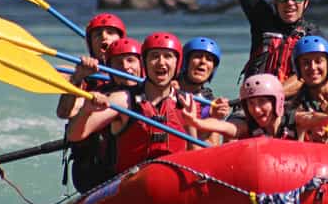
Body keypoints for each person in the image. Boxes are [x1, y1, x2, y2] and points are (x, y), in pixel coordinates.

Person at [67, 32, 213, 174]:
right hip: (131, 182)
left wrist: (197, 123)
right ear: (144, 63)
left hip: (174, 180)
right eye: (154, 56)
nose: (161, 62)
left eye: (168, 56)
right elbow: (74, 136)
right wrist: (86, 111)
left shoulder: (187, 103)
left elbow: (198, 160)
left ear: (177, 64)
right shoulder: (123, 100)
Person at [65, 37, 143, 193]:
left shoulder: (159, 93)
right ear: (110, 68)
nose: (125, 67)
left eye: (130, 60)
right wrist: (77, 79)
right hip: (104, 175)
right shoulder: (102, 96)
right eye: (118, 63)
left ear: (142, 65)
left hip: (147, 172)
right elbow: (66, 112)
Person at [181, 73, 328, 142]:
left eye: (262, 102)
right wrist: (196, 122)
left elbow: (314, 118)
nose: (256, 110)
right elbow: (224, 126)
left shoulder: (294, 119)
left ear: (277, 101)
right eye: (251, 103)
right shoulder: (248, 125)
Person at [56, 13, 127, 119]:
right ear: (91, 45)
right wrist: (77, 78)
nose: (104, 36)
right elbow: (64, 113)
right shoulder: (84, 75)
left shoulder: (135, 69)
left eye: (110, 33)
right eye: (98, 34)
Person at [288, 36, 328, 142]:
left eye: (318, 61)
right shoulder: (295, 104)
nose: (313, 67)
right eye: (306, 63)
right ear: (298, 68)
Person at [178, 37, 231, 146]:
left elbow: (212, 145)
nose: (203, 62)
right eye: (197, 56)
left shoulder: (209, 104)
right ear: (185, 62)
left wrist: (215, 118)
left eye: (209, 59)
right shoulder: (165, 89)